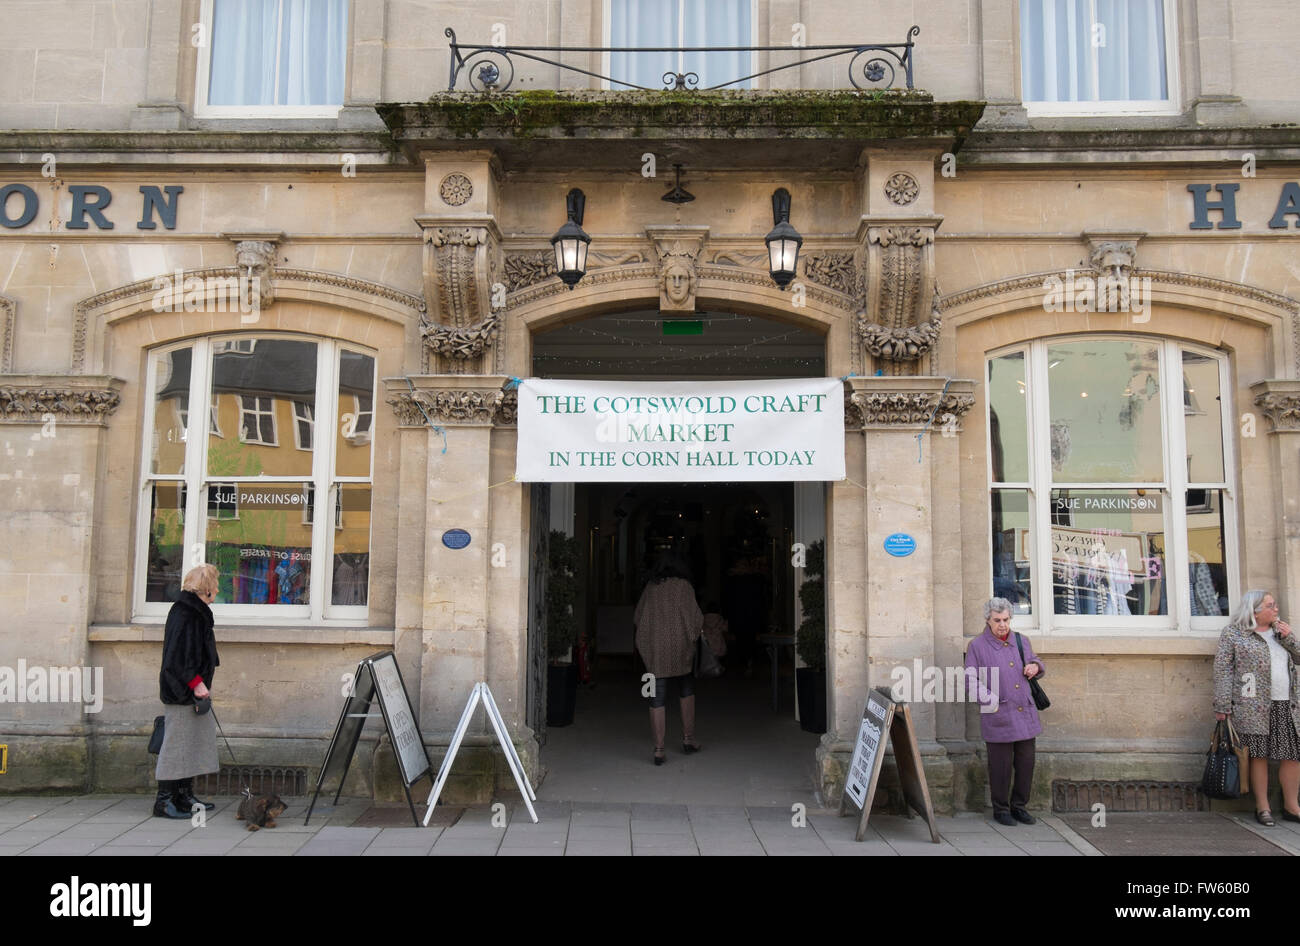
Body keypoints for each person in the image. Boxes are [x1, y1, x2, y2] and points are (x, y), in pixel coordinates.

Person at [1213, 590, 1300, 826]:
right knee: (1258, 756)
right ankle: (1263, 808)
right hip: (1252, 706)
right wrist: (1222, 704)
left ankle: (1293, 807)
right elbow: (1223, 669)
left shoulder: (1280, 632)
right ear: (1254, 611)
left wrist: (1290, 638)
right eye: (1270, 606)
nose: (1276, 609)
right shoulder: (1234, 634)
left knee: (1291, 756)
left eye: (1275, 604)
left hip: (1285, 704)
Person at [964, 597, 1045, 826]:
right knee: (1000, 767)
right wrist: (991, 700)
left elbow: (1035, 661)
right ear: (988, 621)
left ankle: (1019, 807)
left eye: (1006, 620)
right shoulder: (977, 646)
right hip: (998, 715)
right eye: (997, 620)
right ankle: (1001, 809)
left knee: (1026, 764)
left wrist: (1035, 667)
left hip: (1025, 713)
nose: (1002, 625)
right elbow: (970, 680)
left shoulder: (1022, 640)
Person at [154, 563, 221, 818]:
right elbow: (177, 658)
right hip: (182, 691)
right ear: (206, 588)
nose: (217, 588)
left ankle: (183, 795)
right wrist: (197, 683)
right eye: (214, 583)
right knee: (176, 746)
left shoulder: (194, 611)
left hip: (191, 691)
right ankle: (164, 801)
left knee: (191, 744)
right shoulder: (185, 613)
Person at [633, 556, 703, 765]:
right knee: (686, 689)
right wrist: (691, 635)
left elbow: (638, 617)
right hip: (680, 648)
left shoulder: (651, 588)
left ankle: (659, 749)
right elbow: (695, 618)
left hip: (656, 650)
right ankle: (688, 739)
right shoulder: (684, 586)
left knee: (657, 697)